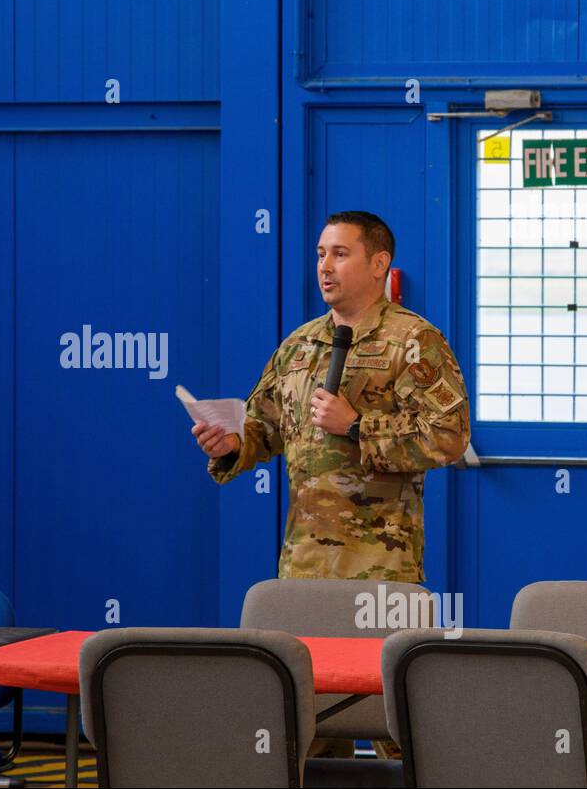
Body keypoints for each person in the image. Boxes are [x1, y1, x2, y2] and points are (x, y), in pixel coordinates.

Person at [192, 210, 469, 758]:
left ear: (379, 263)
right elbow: (265, 424)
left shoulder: (412, 341)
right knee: (306, 729)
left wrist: (358, 425)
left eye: (340, 254)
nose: (325, 266)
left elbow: (449, 436)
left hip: (382, 568)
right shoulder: (299, 346)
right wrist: (232, 443)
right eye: (320, 253)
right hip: (303, 567)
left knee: (398, 727)